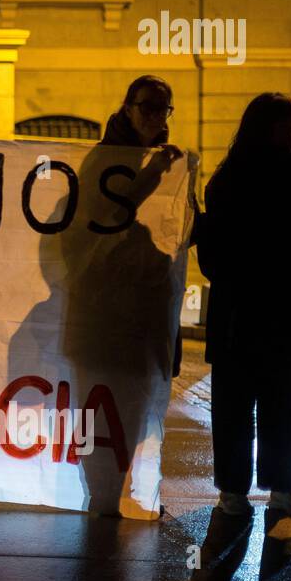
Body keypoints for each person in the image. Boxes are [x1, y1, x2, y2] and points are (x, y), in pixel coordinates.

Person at [197, 93, 291, 520]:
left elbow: (213, 256)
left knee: (258, 405)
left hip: (251, 314)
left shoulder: (230, 180)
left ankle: (250, 492)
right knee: (272, 404)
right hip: (274, 314)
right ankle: (264, 491)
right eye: (282, 123)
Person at [99, 75, 193, 380]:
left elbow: (186, 229)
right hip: (106, 302)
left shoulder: (172, 163)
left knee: (139, 402)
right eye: (147, 107)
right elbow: (107, 219)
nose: (155, 116)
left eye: (163, 109)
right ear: (128, 109)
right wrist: (152, 175)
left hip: (151, 299)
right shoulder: (102, 160)